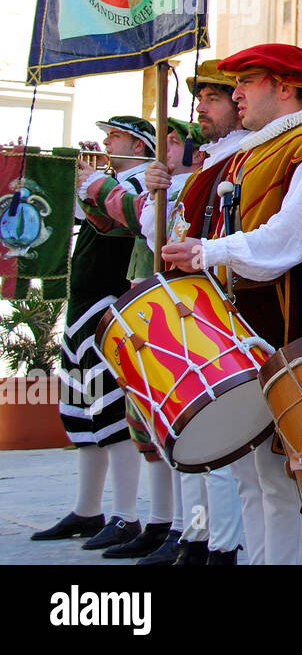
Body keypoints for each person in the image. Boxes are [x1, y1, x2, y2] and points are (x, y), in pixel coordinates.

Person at [161, 43, 302, 565]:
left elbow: (292, 238)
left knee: (282, 479)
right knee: (250, 476)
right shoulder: (256, 151)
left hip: (283, 326)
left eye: (248, 81)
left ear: (285, 88)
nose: (236, 92)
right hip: (242, 329)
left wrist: (209, 250)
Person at [72, 116, 201, 560]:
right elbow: (108, 222)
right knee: (147, 429)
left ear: (194, 151)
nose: (165, 149)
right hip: (143, 312)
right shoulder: (154, 188)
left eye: (173, 141)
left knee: (181, 432)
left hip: (172, 316)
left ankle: (190, 531)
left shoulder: (191, 188)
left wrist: (96, 186)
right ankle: (164, 523)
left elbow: (129, 216)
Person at [138, 59, 249, 565]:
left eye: (213, 98)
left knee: (225, 452)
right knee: (194, 446)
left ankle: (222, 548)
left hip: (230, 311)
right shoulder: (207, 165)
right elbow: (163, 239)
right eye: (199, 98)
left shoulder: (243, 159)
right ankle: (197, 537)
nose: (201, 107)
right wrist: (159, 193)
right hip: (192, 308)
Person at [32, 116, 155, 551]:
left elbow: (127, 222)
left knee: (112, 416)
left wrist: (92, 182)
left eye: (116, 136)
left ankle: (126, 515)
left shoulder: (143, 185)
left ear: (140, 146)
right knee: (82, 416)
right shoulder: (113, 181)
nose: (107, 141)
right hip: (83, 314)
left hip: (109, 312)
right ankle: (87, 510)